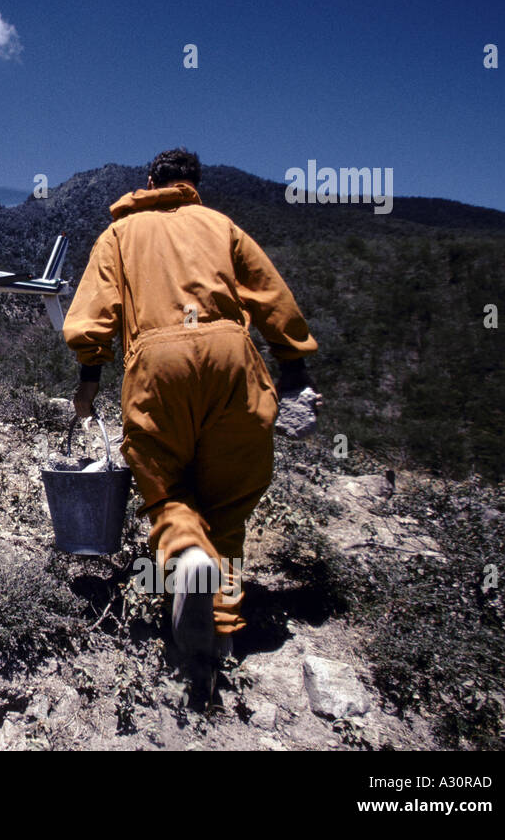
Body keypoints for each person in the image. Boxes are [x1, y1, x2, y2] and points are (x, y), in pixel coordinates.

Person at [62, 147, 319, 697]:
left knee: (167, 487)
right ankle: (221, 634)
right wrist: (294, 372)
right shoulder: (221, 225)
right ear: (195, 186)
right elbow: (273, 297)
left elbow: (94, 317)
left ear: (150, 181)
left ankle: (186, 554)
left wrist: (90, 379)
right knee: (226, 502)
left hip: (159, 365)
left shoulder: (119, 235)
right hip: (232, 358)